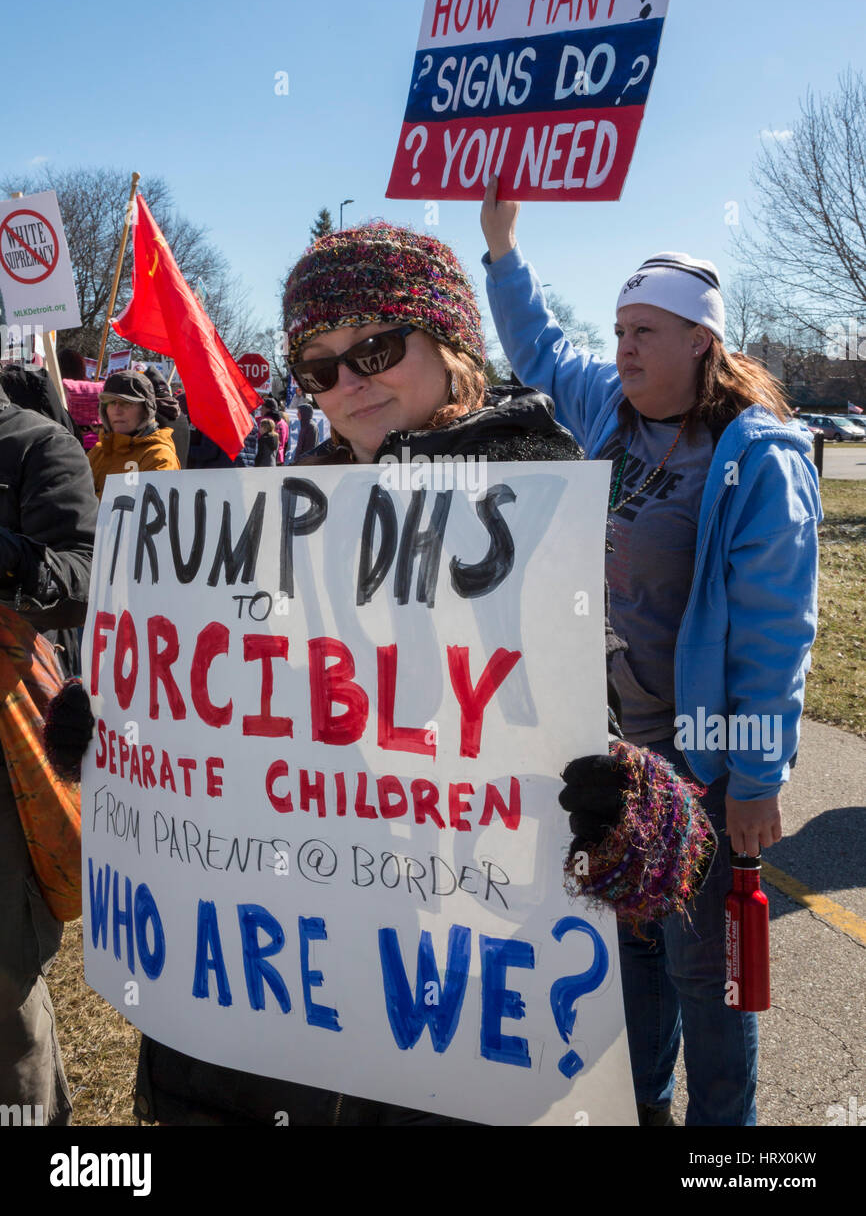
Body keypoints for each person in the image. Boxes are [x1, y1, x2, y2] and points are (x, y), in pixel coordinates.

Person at [111, 220, 712, 1126]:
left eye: (376, 348)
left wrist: (638, 820)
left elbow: (622, 774)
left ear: (453, 349)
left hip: (463, 1015)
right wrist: (117, 746)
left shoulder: (539, 507)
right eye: (318, 366)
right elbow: (220, 724)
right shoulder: (263, 522)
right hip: (271, 1017)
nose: (347, 383)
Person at [479, 177, 822, 1127]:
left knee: (702, 968)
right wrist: (504, 250)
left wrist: (755, 777)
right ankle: (645, 1110)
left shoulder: (755, 458)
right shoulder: (609, 417)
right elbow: (542, 348)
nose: (622, 346)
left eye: (645, 332)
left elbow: (774, 630)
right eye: (620, 328)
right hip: (612, 750)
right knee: (628, 941)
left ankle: (727, 1140)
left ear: (702, 342)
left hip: (698, 759)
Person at [0, 373, 98, 1125]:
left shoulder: (37, 444)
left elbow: (86, 579)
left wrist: (7, 558)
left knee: (5, 998)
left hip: (7, 760)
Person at [87, 370, 180, 500]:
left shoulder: (159, 456)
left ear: (146, 410)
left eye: (127, 403)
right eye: (111, 402)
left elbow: (149, 514)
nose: (117, 411)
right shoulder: (97, 451)